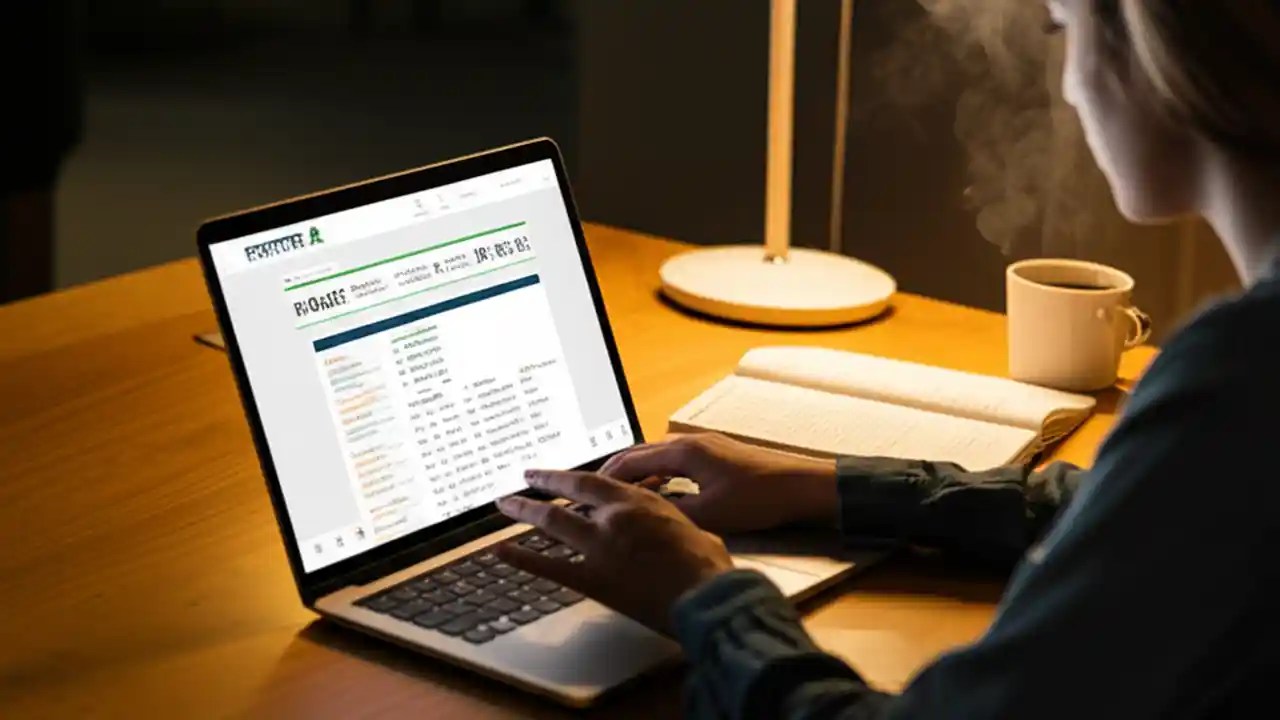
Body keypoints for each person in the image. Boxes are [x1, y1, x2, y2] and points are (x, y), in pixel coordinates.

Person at [496, 0, 1280, 717]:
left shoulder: (1240, 381)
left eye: (1062, 28)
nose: (1069, 89)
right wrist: (818, 487)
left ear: (1162, 49)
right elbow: (1121, 514)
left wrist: (705, 594)